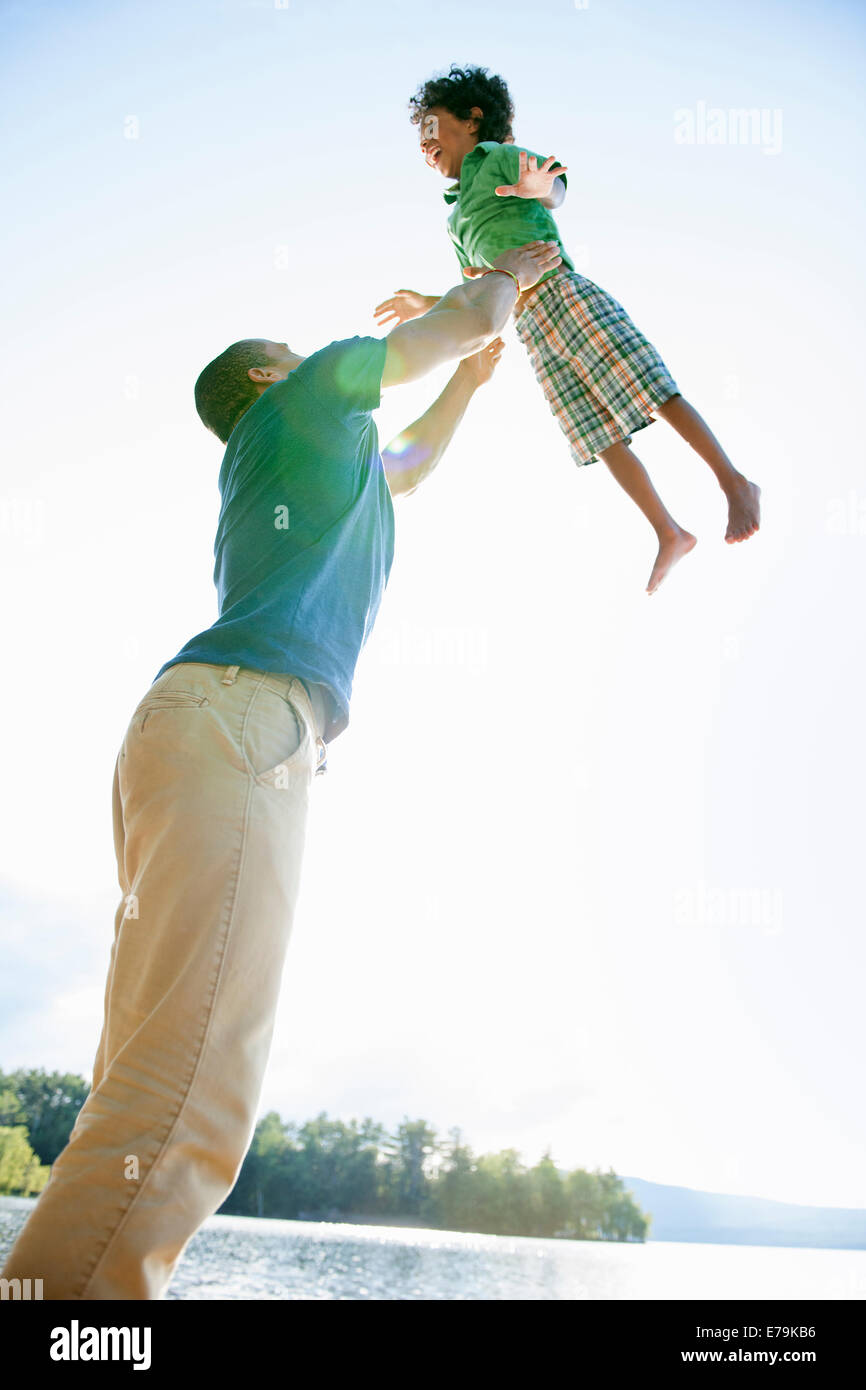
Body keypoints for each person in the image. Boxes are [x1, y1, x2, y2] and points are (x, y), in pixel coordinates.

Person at [0, 237, 562, 1300]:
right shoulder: (309, 389)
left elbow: (405, 466)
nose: (318, 356)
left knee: (149, 1078)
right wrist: (503, 273)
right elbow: (464, 321)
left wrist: (471, 384)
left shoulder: (305, 449)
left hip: (204, 726)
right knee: (191, 1092)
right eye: (299, 351)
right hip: (240, 728)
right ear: (272, 371)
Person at [375, 65, 762, 594]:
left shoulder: (498, 159)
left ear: (472, 120)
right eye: (419, 140)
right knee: (595, 434)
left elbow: (555, 187)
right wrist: (425, 302)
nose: (424, 145)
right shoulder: (455, 217)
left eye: (431, 128)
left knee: (646, 387)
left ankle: (732, 480)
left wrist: (544, 188)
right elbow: (476, 290)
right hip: (531, 327)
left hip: (562, 293)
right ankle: (669, 530)